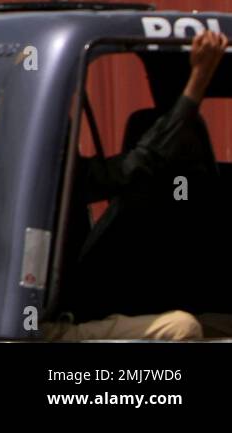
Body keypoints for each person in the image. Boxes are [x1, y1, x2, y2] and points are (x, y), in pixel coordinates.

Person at [46, 29, 228, 340]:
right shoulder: (55, 179)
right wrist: (197, 82)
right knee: (184, 327)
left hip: (66, 317)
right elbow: (143, 162)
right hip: (45, 328)